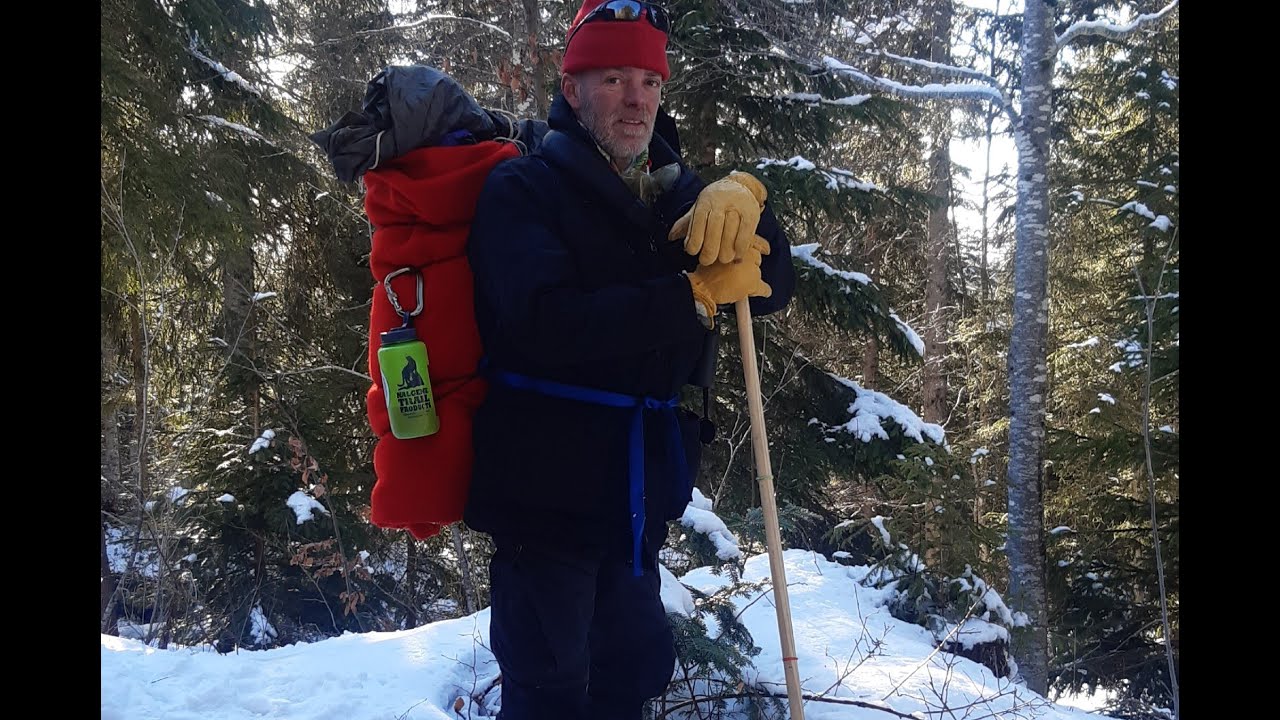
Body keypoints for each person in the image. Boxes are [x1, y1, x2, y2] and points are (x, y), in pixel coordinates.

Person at [464, 2, 795, 717]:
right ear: (573, 87)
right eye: (614, 79)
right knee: (549, 688)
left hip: (637, 498)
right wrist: (688, 296)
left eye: (649, 80)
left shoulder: (677, 194)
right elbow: (545, 322)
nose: (636, 99)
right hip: (543, 494)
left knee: (634, 673)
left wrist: (748, 204)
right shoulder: (524, 190)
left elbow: (770, 288)